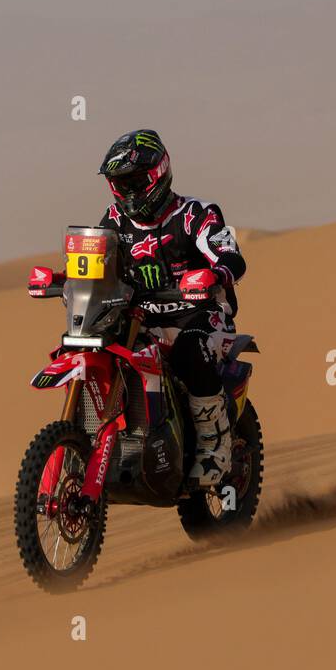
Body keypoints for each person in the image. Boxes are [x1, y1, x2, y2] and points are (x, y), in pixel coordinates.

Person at [96, 128, 247, 487]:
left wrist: (216, 273)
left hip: (199, 315)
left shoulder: (195, 213)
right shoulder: (114, 223)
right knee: (100, 346)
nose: (129, 191)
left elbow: (230, 255)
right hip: (141, 319)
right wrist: (62, 278)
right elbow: (96, 266)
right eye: (122, 183)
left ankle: (215, 444)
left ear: (157, 173)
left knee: (190, 351)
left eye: (135, 181)